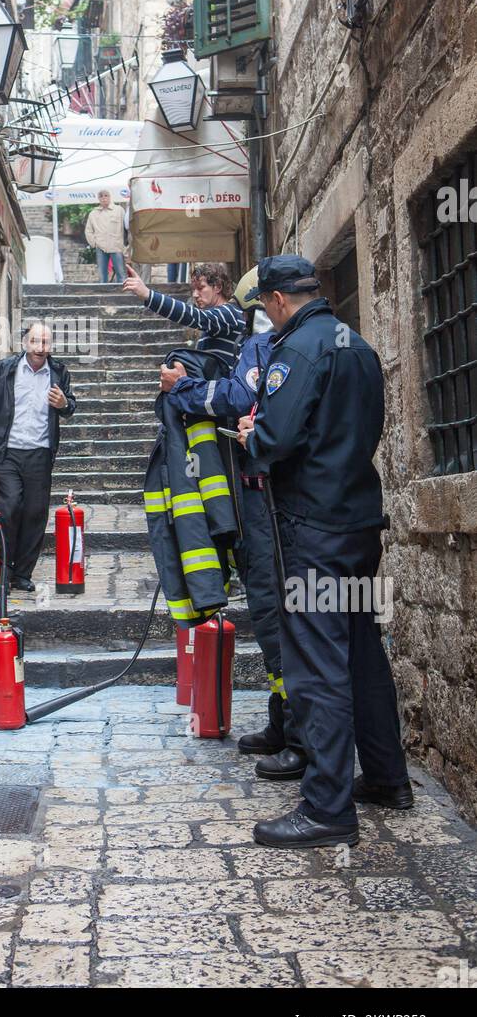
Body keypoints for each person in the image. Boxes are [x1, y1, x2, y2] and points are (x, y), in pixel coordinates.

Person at [238, 255, 412, 849]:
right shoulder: (356, 344)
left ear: (278, 300)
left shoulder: (298, 348)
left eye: (264, 305)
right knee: (362, 649)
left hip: (313, 528)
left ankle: (327, 807)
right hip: (359, 521)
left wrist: (250, 436)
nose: (265, 313)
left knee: (317, 661)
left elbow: (279, 436)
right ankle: (389, 778)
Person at [160, 266, 307, 780]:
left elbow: (234, 399)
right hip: (253, 505)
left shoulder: (262, 351)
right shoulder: (270, 346)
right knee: (267, 616)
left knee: (272, 613)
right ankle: (280, 722)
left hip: (265, 505)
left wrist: (183, 389)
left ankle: (299, 735)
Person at [0, 321, 76, 593]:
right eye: (35, 341)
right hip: (7, 451)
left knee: (34, 513)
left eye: (45, 342)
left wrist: (64, 404)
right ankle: (3, 572)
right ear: (24, 343)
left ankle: (22, 574)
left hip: (40, 453)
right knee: (8, 510)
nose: (40, 348)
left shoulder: (59, 372)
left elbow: (70, 406)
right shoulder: (5, 369)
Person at [122, 260, 244, 372]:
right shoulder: (216, 320)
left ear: (217, 287)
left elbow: (195, 316)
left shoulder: (230, 313)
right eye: (193, 289)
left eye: (201, 288)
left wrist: (148, 295)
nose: (195, 295)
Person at [85, 189, 127, 283]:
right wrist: (94, 244)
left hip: (116, 246)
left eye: (106, 195)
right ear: (98, 199)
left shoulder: (119, 210)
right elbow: (88, 230)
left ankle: (122, 294)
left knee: (121, 273)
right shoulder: (93, 213)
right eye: (101, 196)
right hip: (100, 247)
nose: (104, 198)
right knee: (102, 275)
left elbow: (126, 227)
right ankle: (102, 295)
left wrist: (126, 245)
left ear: (110, 197)